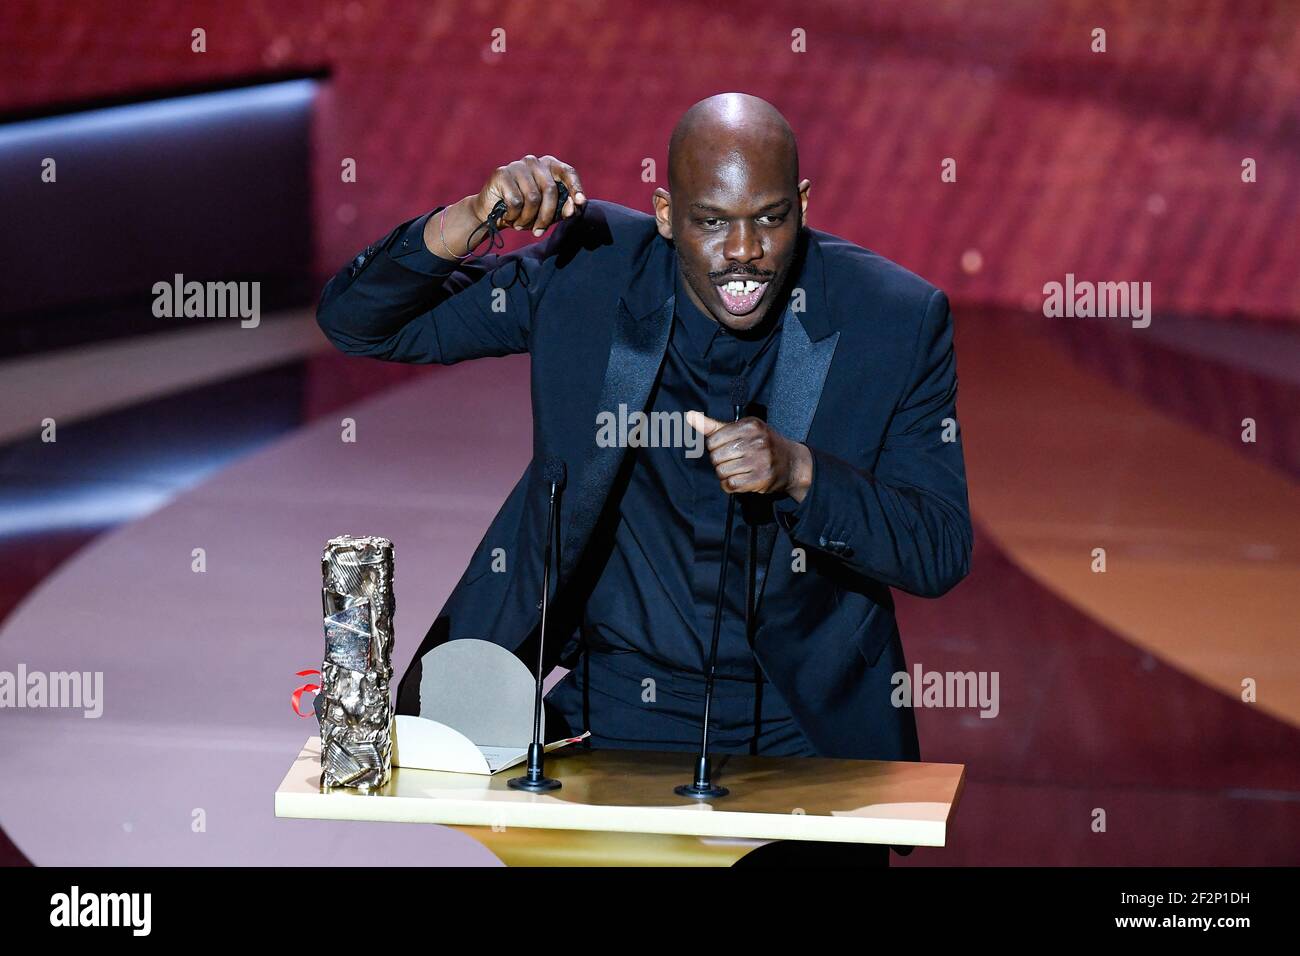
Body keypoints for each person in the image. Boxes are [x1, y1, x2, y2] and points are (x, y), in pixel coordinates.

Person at [316, 94, 972, 855]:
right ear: (665, 214)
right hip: (617, 708)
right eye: (711, 221)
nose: (743, 250)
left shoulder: (893, 317)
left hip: (799, 728)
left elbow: (938, 547)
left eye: (768, 218)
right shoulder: (590, 273)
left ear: (803, 205)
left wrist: (799, 472)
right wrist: (469, 217)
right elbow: (363, 322)